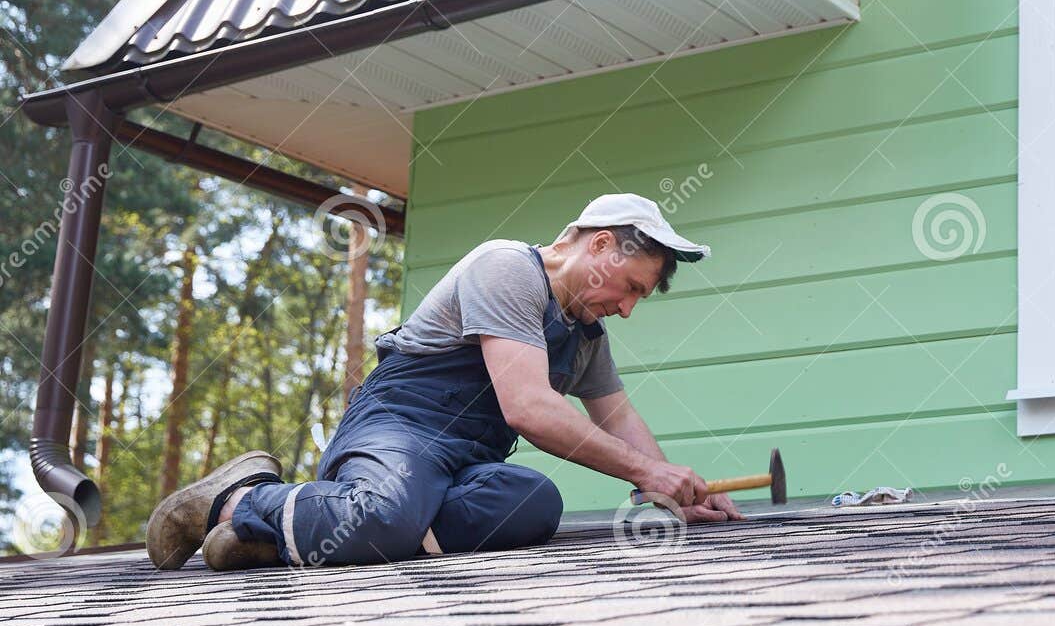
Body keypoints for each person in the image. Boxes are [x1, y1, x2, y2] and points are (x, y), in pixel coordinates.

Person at [145, 193, 741, 572]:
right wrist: (646, 473)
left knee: (533, 503)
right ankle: (238, 497)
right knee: (388, 514)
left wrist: (672, 491)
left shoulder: (585, 334)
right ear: (603, 246)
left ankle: (269, 539)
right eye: (632, 288)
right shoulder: (506, 268)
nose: (629, 308)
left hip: (462, 461)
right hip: (398, 431)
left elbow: (619, 420)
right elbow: (529, 408)